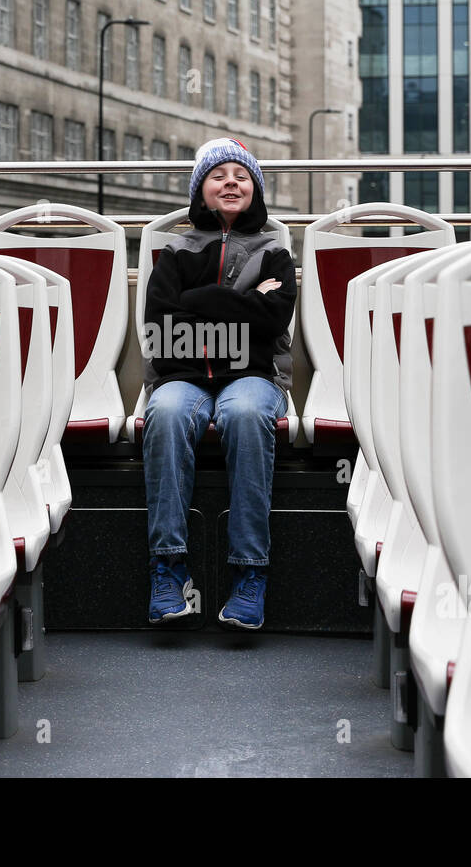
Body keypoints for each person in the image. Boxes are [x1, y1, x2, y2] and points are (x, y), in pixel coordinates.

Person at [141, 138, 297, 629]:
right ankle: (169, 570)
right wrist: (238, 304)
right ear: (200, 191)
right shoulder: (176, 250)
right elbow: (162, 330)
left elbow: (272, 322)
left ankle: (250, 574)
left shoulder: (275, 252)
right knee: (164, 414)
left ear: (255, 190)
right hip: (181, 376)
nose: (231, 182)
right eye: (218, 176)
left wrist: (199, 299)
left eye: (241, 176)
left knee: (248, 415)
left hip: (254, 376)